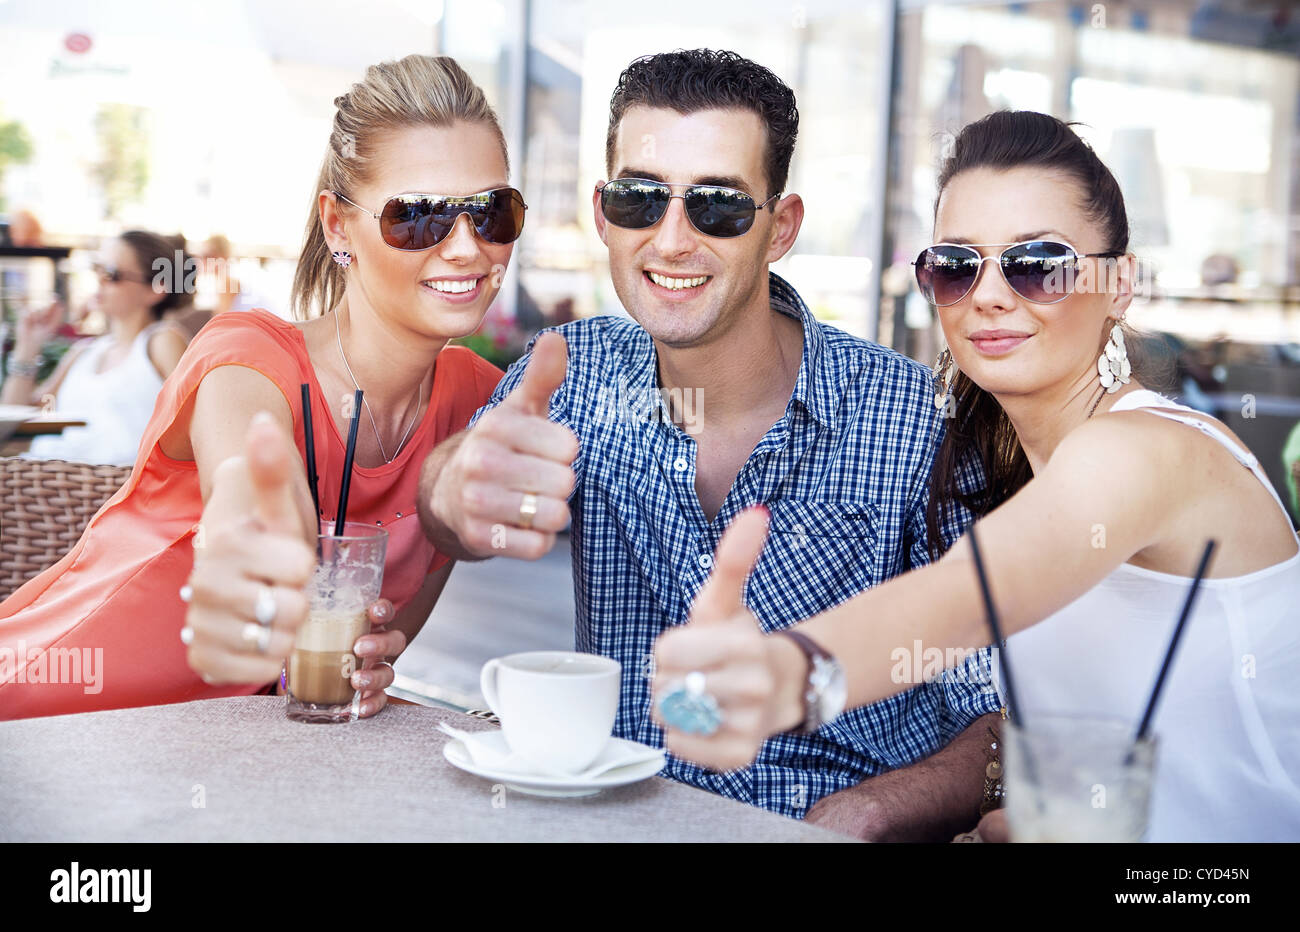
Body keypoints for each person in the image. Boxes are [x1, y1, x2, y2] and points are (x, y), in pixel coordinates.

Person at [650, 110, 1300, 842]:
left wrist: (779, 676)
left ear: (1119, 285)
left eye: (1037, 264)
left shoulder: (1150, 449)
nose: (989, 294)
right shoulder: (1012, 473)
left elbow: (966, 598)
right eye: (957, 265)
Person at [417, 49, 1001, 839]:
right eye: (639, 199)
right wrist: (452, 488)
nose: (672, 239)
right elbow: (454, 506)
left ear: (780, 227)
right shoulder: (574, 374)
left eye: (718, 206)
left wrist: (874, 810)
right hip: (619, 819)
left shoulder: (914, 419)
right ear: (602, 214)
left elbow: (997, 721)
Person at [0, 54, 516, 721]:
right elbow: (244, 482)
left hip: (233, 766)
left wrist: (372, 656)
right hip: (37, 722)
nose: (468, 247)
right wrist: (251, 536)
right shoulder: (246, 352)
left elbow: (377, 647)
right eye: (417, 215)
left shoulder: (480, 405)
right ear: (338, 226)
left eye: (492, 210)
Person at [3, 230, 191, 465]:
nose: (98, 280)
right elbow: (15, 419)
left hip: (110, 490)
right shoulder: (84, 352)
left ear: (156, 288)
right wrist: (28, 346)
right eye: (96, 269)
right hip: (50, 485)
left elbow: (194, 426)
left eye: (111, 274)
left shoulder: (161, 341)